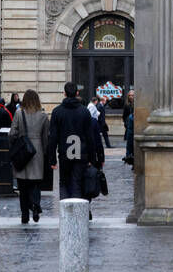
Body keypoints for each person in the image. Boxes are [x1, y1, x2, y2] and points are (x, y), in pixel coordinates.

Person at [46, 81, 104, 219]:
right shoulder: (84, 111)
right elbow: (90, 137)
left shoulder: (57, 111)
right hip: (81, 152)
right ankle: (78, 216)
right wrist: (92, 158)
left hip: (65, 152)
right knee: (77, 182)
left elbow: (52, 137)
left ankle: (66, 215)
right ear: (77, 93)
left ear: (64, 93)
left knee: (64, 183)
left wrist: (52, 159)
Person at [12, 89, 49, 225]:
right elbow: (45, 138)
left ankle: (24, 215)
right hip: (37, 151)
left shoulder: (18, 113)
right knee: (35, 184)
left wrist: (15, 145)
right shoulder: (43, 116)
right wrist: (45, 153)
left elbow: (12, 133)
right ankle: (35, 205)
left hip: (23, 150)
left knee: (22, 187)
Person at [122, 88, 135, 165]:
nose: (131, 97)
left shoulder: (137, 104)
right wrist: (126, 123)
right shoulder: (127, 105)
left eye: (132, 95)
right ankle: (129, 157)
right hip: (129, 126)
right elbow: (124, 116)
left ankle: (132, 158)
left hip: (133, 125)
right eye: (130, 95)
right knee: (129, 143)